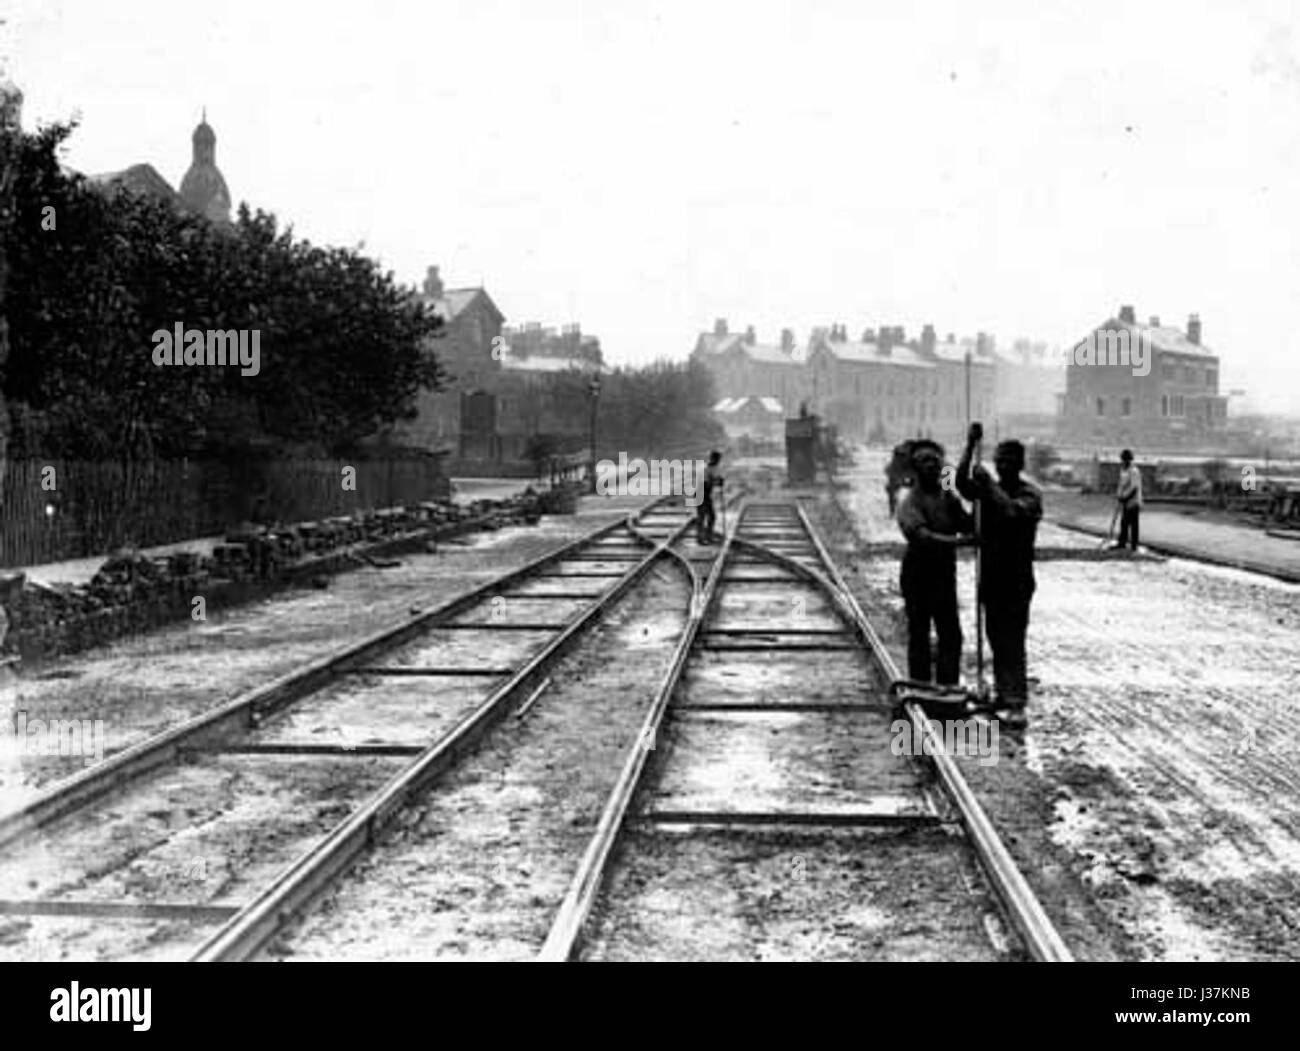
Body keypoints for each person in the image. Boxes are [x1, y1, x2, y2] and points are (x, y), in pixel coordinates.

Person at [957, 423, 1042, 727]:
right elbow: (960, 484)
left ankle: (1016, 700)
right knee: (994, 635)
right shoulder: (988, 488)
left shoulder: (1030, 494)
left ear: (1020, 464)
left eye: (1009, 461)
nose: (1003, 465)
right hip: (991, 574)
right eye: (999, 460)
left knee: (1013, 639)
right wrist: (969, 446)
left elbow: (1010, 513)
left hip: (1016, 578)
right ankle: (1003, 693)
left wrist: (989, 486)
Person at [895, 440, 975, 686]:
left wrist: (980, 499)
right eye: (924, 461)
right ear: (915, 469)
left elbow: (966, 523)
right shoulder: (909, 502)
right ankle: (920, 685)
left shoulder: (947, 496)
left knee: (950, 633)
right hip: (918, 572)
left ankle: (947, 685)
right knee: (919, 632)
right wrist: (959, 543)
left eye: (934, 461)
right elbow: (922, 536)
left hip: (943, 573)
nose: (931, 465)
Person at [1114, 449, 1142, 551]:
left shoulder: (1134, 471)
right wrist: (1119, 496)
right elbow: (1121, 485)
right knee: (1124, 523)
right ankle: (1122, 543)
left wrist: (1126, 498)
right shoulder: (1123, 471)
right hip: (1125, 501)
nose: (1123, 462)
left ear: (1129, 460)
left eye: (1125, 460)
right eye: (1122, 460)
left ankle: (1134, 546)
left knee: (1133, 524)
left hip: (1133, 502)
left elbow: (1134, 488)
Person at [696, 450, 724, 544]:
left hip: (705, 494)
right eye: (717, 459)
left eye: (718, 459)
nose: (718, 461)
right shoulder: (706, 468)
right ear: (713, 459)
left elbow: (713, 481)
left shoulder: (713, 468)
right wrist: (717, 481)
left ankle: (708, 536)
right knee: (702, 517)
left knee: (711, 516)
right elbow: (706, 483)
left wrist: (718, 481)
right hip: (701, 493)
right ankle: (701, 538)